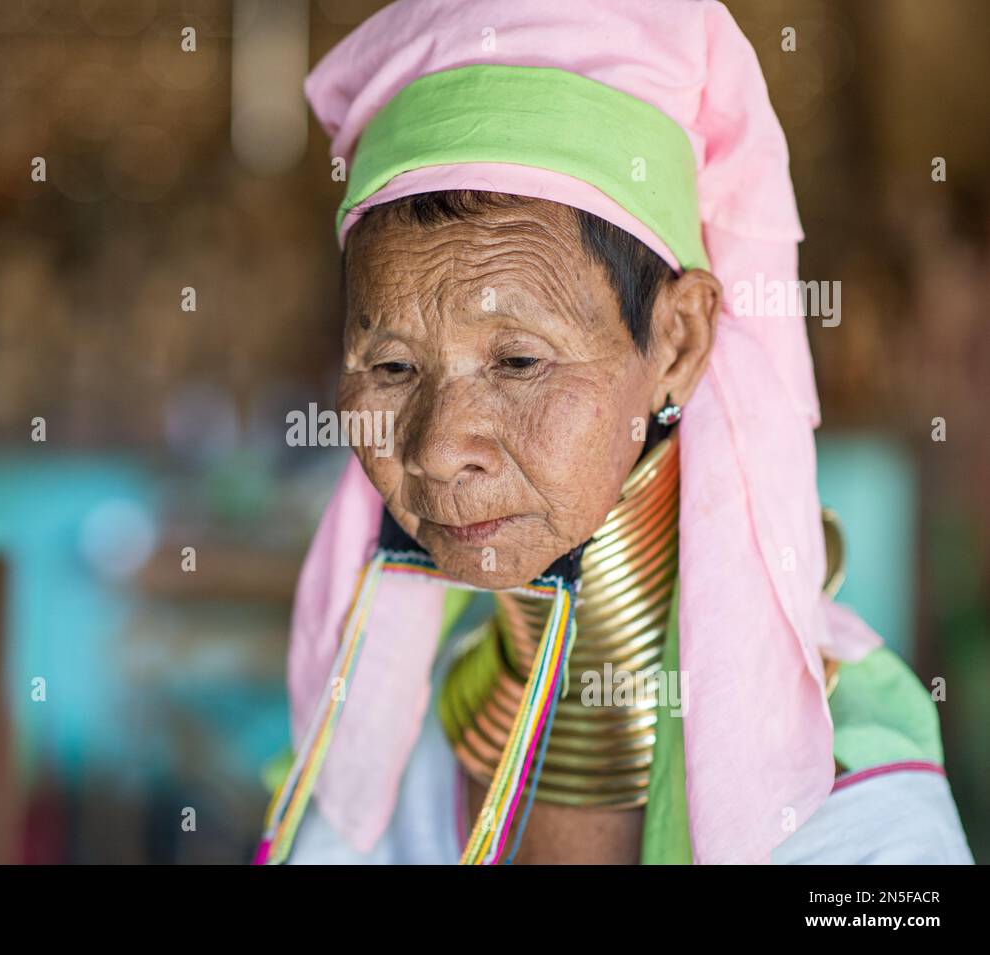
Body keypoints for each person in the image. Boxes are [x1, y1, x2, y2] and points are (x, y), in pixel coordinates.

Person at [255, 0, 975, 864]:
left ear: (678, 340)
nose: (438, 445)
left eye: (519, 361)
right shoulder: (386, 753)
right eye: (394, 366)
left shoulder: (853, 814)